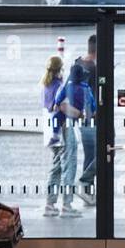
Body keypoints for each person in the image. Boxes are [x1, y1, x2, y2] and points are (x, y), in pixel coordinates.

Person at [55, 53, 97, 201]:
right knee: (97, 153)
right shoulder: (86, 82)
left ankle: (84, 189)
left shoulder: (72, 79)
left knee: (88, 154)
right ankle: (83, 186)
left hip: (75, 123)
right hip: (88, 121)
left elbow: (59, 100)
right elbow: (92, 105)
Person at [41, 54, 79, 218]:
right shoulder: (58, 86)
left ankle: (50, 204)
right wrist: (79, 113)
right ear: (60, 69)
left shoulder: (45, 85)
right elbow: (64, 107)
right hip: (63, 129)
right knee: (68, 166)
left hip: (50, 132)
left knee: (55, 167)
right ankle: (67, 205)